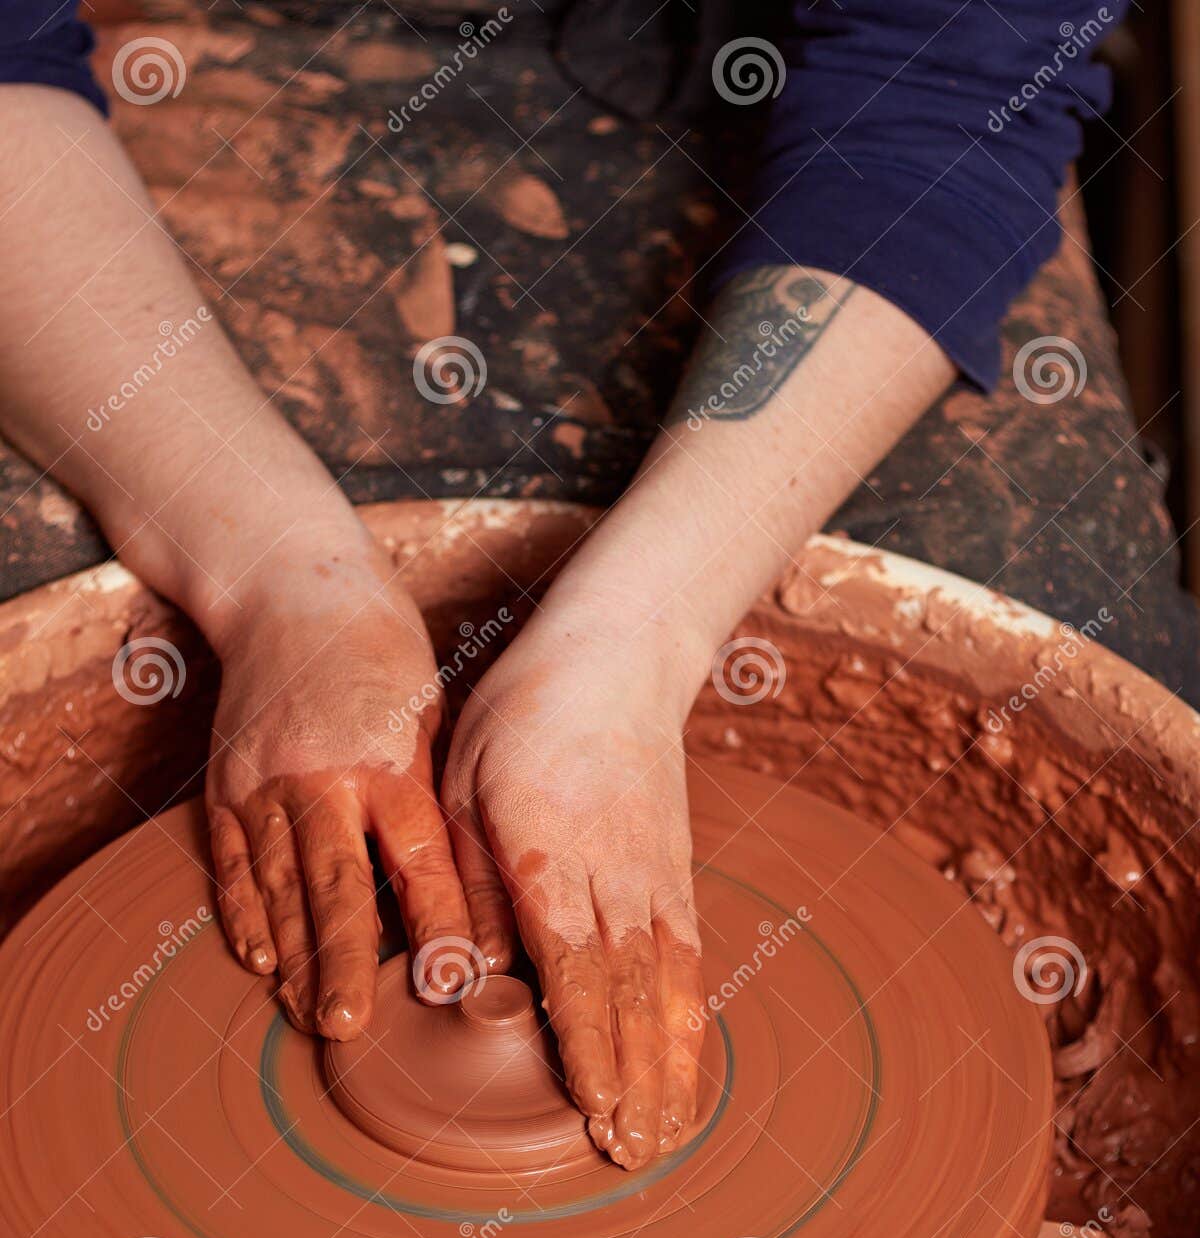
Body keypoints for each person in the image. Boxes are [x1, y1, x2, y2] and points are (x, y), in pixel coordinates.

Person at [0, 1, 1124, 1168]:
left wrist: (636, 640)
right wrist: (278, 582)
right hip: (159, 69)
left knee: (1068, 598)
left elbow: (944, 96)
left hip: (780, 89)